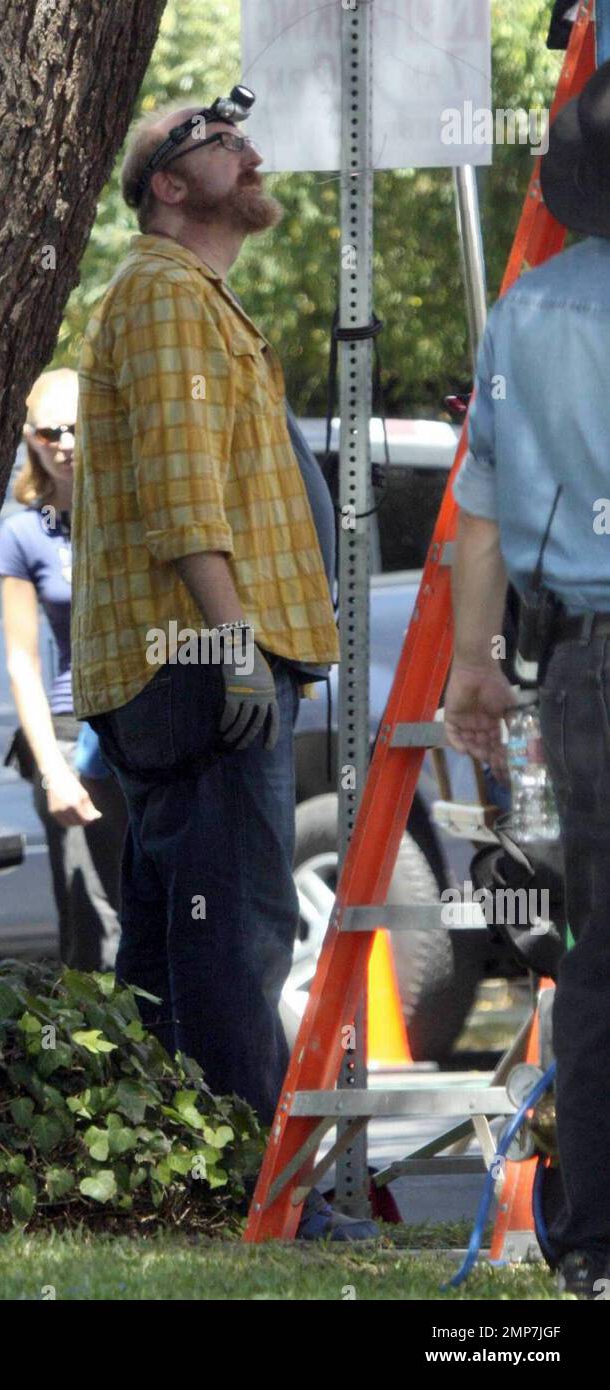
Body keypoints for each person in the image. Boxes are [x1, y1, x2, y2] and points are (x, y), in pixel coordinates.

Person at [72, 97, 375, 1241]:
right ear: (167, 185)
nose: (251, 150)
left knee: (172, 948)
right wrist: (234, 645)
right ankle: (265, 1212)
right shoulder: (159, 292)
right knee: (235, 941)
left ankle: (175, 1191)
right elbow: (184, 489)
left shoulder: (192, 297)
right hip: (205, 668)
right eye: (218, 140)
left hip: (200, 664)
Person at [444, 60, 610, 1296]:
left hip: (580, 671)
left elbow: (483, 513)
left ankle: (596, 1237)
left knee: (598, 954)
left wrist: (471, 671)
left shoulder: (524, 317)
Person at [0, 368, 124, 971]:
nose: (66, 443)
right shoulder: (25, 534)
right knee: (92, 926)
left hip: (143, 721)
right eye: (51, 432)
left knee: (155, 908)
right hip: (73, 732)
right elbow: (23, 661)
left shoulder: (130, 514)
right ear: (30, 439)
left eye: (79, 427)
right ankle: (100, 1061)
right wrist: (52, 771)